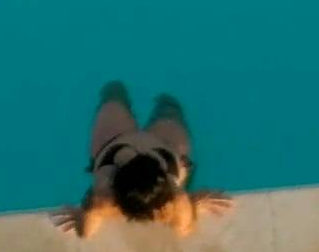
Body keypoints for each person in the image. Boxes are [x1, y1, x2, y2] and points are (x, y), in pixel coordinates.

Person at [59, 82, 231, 238]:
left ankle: (130, 93)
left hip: (134, 143)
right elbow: (185, 228)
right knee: (168, 109)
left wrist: (194, 204)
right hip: (149, 143)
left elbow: (85, 232)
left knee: (114, 95)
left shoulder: (103, 201)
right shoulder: (175, 201)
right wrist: (194, 206)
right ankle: (163, 101)